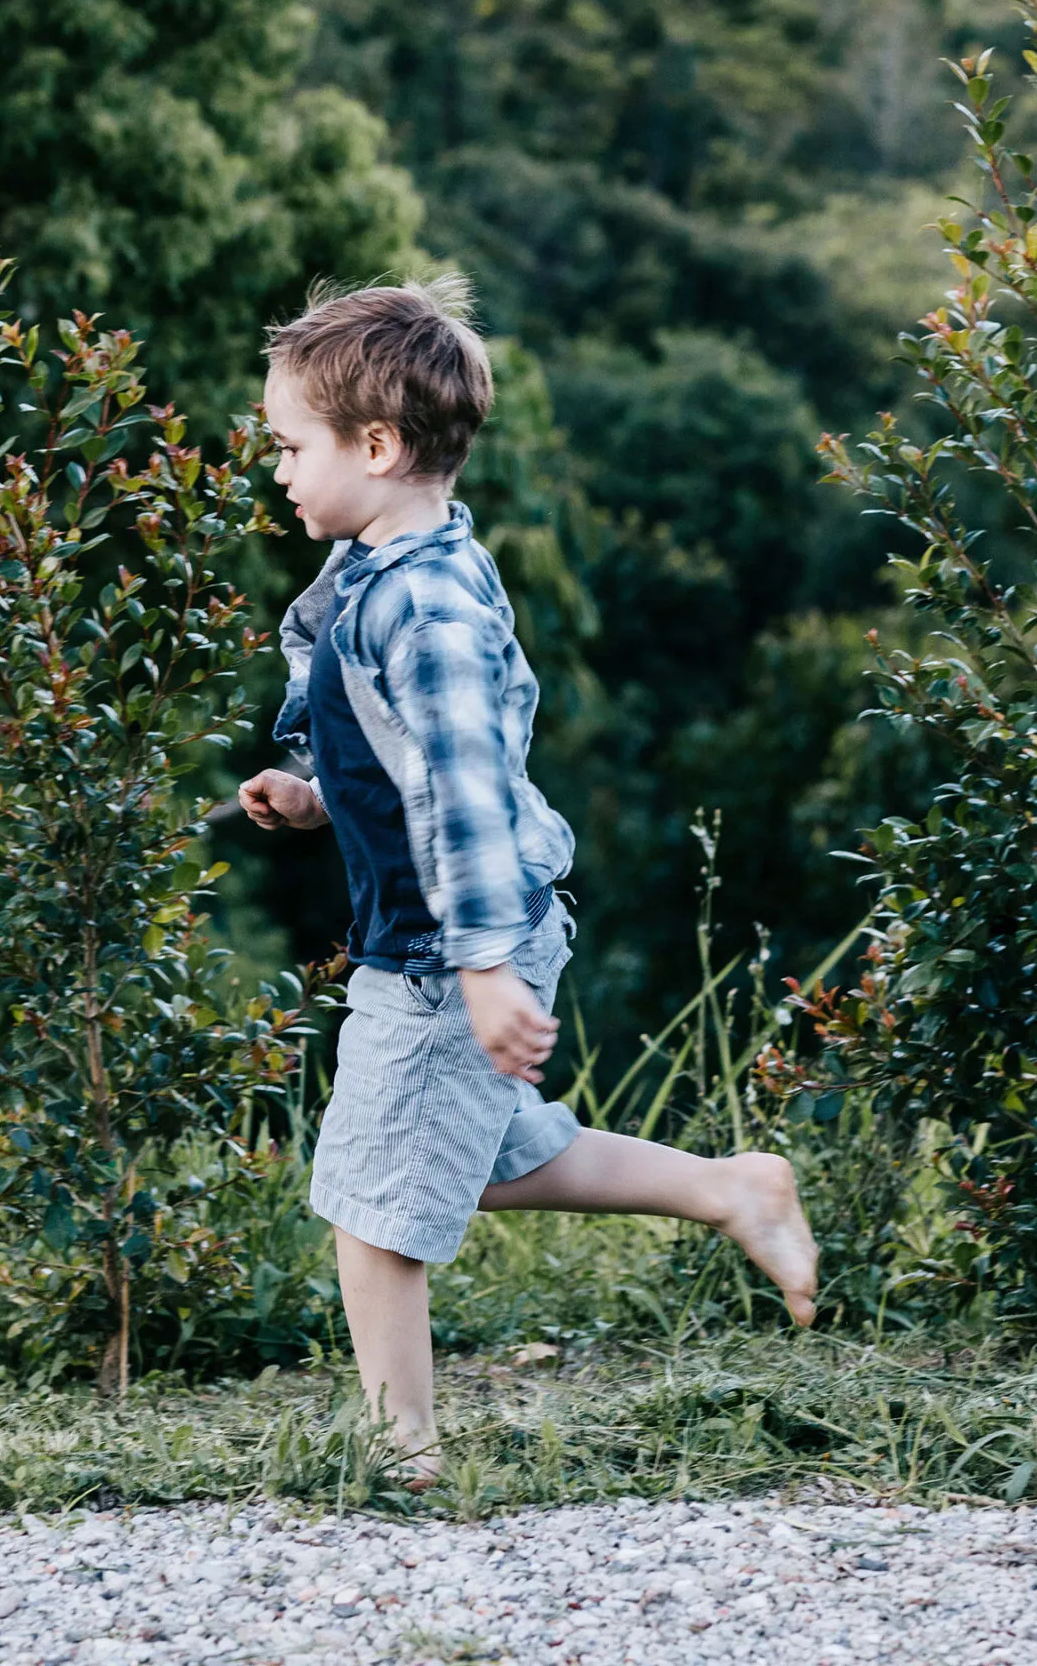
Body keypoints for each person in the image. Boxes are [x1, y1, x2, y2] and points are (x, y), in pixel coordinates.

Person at [240, 278, 817, 1479]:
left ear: (379, 446)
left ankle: (403, 1456)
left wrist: (487, 966)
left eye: (291, 447)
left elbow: (462, 790)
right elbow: (391, 753)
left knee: (372, 1202)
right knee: (495, 1156)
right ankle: (731, 1188)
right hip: (446, 930)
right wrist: (314, 791)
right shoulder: (378, 567)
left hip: (450, 943)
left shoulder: (428, 607)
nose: (279, 470)